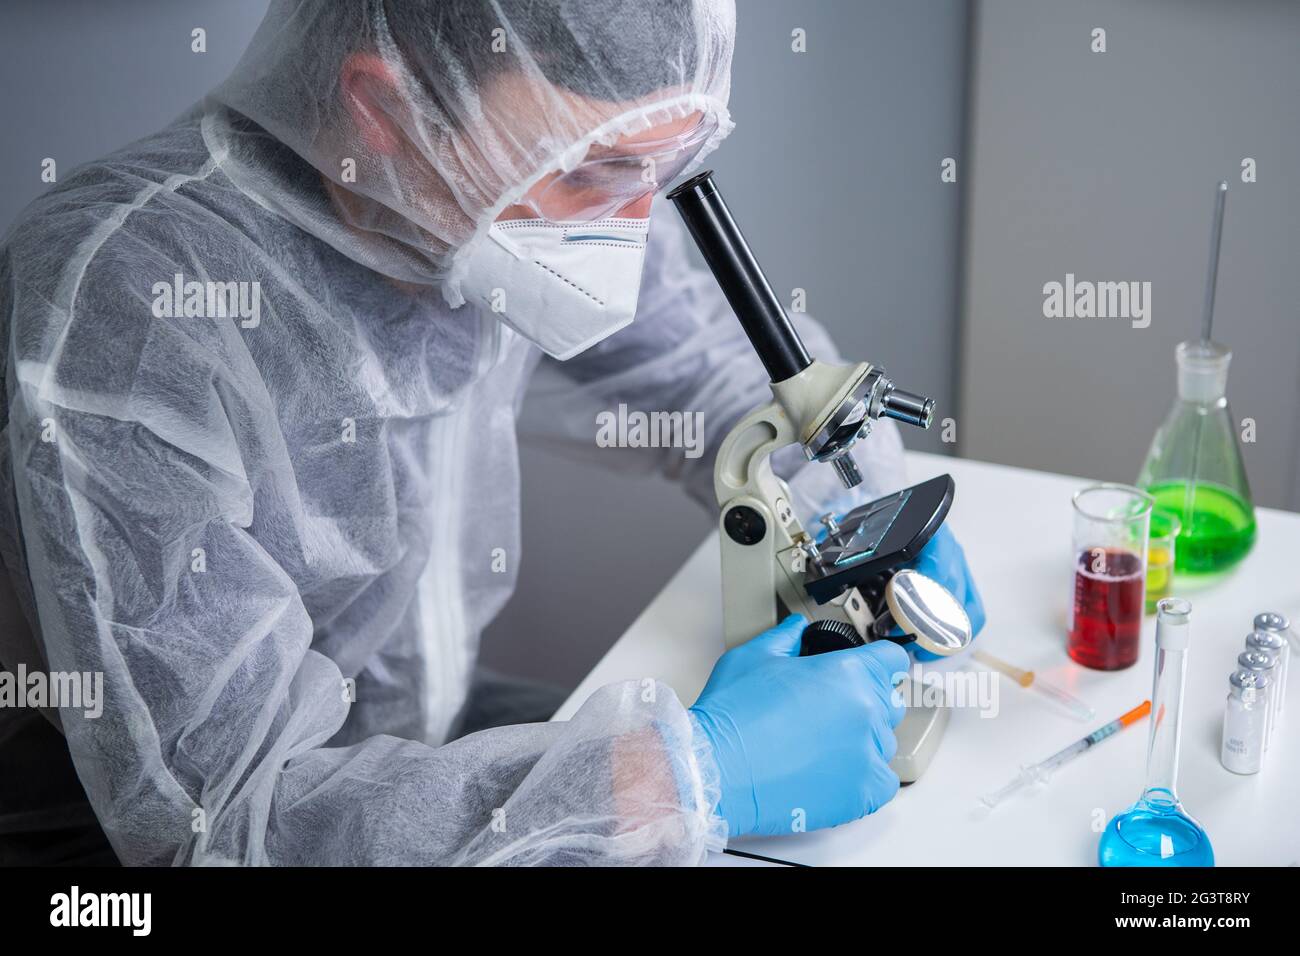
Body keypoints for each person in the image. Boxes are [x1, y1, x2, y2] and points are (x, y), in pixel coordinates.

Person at [0, 0, 983, 866]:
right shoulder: (123, 308)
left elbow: (707, 369)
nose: (631, 222)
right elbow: (221, 824)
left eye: (665, 165)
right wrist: (686, 775)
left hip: (429, 731)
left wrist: (858, 508)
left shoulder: (497, 196)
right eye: (597, 170)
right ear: (385, 112)